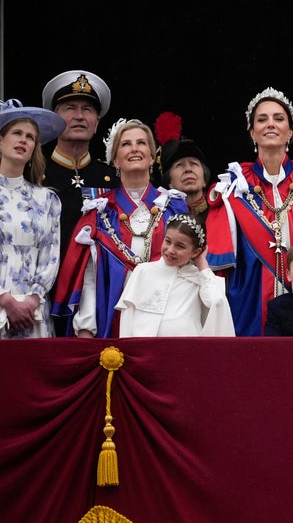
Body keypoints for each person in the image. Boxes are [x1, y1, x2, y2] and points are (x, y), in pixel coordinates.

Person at [206, 87, 293, 336]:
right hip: (251, 296)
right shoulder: (235, 185)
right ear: (252, 133)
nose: (270, 124)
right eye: (262, 119)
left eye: (279, 118)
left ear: (290, 132)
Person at [52, 119, 190, 338]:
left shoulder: (174, 208)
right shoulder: (99, 214)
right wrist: (86, 328)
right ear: (115, 160)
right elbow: (89, 279)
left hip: (167, 321)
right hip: (113, 320)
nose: (134, 148)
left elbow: (188, 271)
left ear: (152, 156)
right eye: (126, 144)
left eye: (141, 143)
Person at [0, 100, 65, 338]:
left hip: (33, 313)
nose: (23, 140)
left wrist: (33, 298)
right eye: (17, 133)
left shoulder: (47, 200)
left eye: (30, 137)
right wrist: (5, 299)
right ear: (1, 141)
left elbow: (51, 254)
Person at [116, 215, 234, 337]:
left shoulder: (201, 278)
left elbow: (217, 303)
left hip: (185, 347)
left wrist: (202, 264)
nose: (170, 250)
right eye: (168, 241)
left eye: (180, 246)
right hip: (144, 347)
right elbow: (127, 316)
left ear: (196, 252)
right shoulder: (143, 271)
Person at [40, 70, 114, 257]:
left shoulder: (112, 178)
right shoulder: (34, 174)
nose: (79, 116)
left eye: (87, 109)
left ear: (96, 123)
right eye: (70, 108)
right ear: (54, 120)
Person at [154, 111, 210, 222]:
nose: (188, 169)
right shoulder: (158, 220)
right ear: (169, 182)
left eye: (194, 164)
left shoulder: (222, 214)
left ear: (204, 179)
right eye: (179, 165)